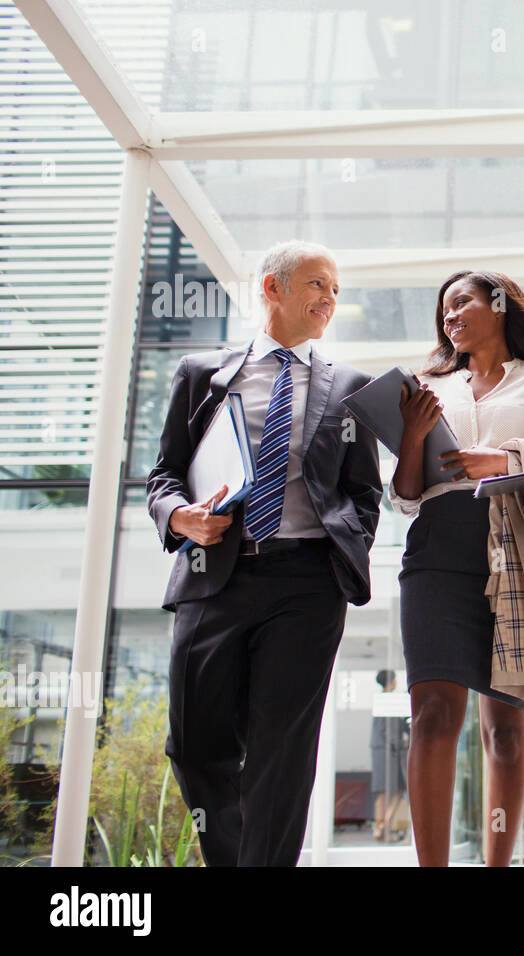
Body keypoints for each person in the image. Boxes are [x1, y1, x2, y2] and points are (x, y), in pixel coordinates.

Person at [145, 240, 382, 867]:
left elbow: (365, 493)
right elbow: (163, 478)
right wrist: (182, 517)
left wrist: (347, 549)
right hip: (213, 576)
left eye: (335, 288)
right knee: (194, 744)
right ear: (271, 288)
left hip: (307, 585)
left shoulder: (351, 388)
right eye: (317, 284)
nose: (330, 299)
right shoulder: (203, 374)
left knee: (283, 752)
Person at [389, 269, 524, 866]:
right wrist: (412, 436)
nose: (450, 316)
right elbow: (402, 496)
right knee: (433, 715)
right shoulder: (426, 386)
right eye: (443, 309)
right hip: (435, 554)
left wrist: (504, 462)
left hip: (515, 554)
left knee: (505, 728)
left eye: (462, 303)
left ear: (499, 306)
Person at [370, 669, 409, 842]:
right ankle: (383, 827)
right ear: (390, 682)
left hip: (379, 749)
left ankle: (380, 828)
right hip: (388, 751)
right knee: (397, 789)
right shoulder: (390, 700)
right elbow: (395, 727)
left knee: (383, 791)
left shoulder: (379, 700)